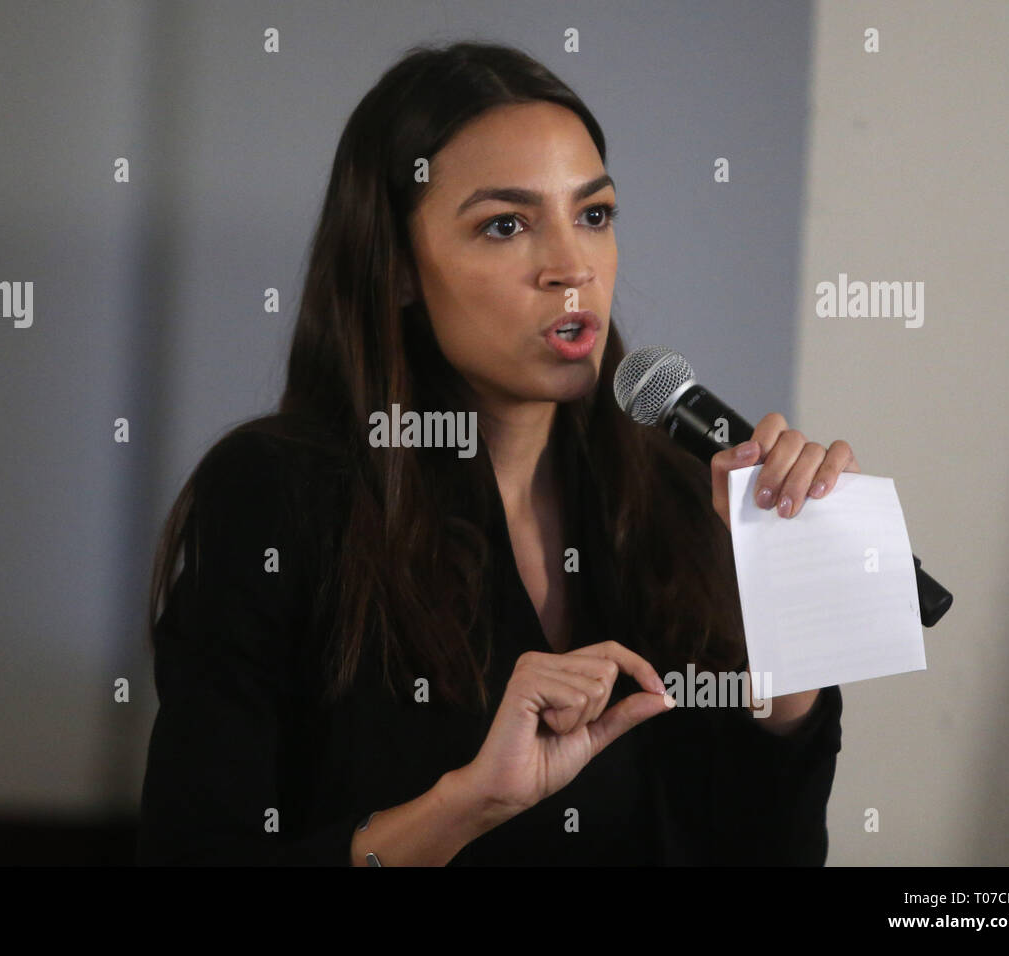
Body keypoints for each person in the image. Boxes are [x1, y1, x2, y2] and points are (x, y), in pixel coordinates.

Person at [136, 41, 856, 866]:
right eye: (506, 225)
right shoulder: (277, 494)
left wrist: (787, 651)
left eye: (594, 215)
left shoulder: (678, 491)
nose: (570, 267)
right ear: (399, 267)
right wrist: (464, 806)